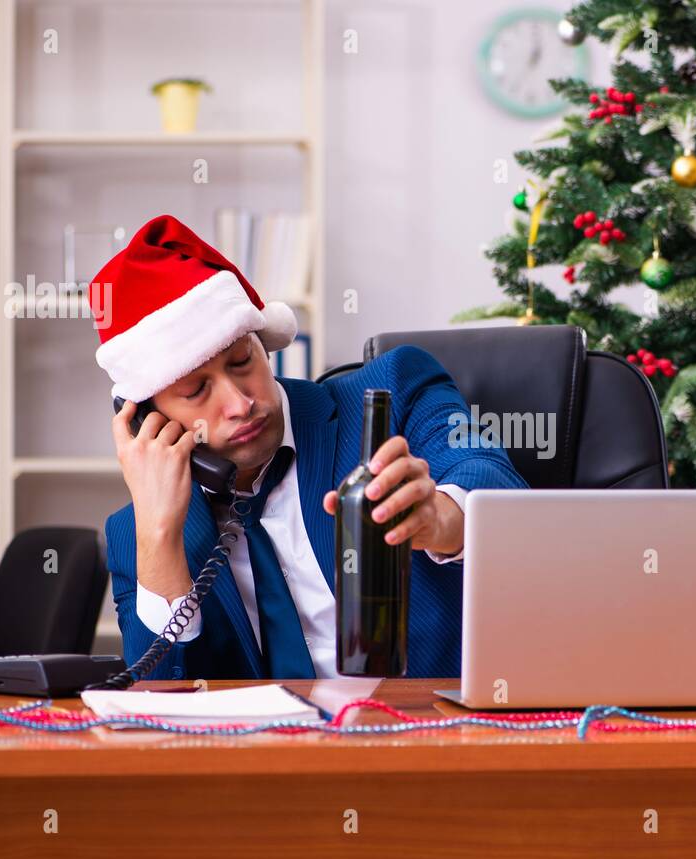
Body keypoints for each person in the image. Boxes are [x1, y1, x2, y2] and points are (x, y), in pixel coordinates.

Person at [93, 215, 527, 679]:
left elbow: (491, 478)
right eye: (197, 391)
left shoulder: (394, 390)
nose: (240, 403)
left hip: (427, 736)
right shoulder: (132, 536)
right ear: (149, 418)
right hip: (275, 749)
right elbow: (159, 703)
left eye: (242, 362)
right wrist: (160, 535)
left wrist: (443, 519)